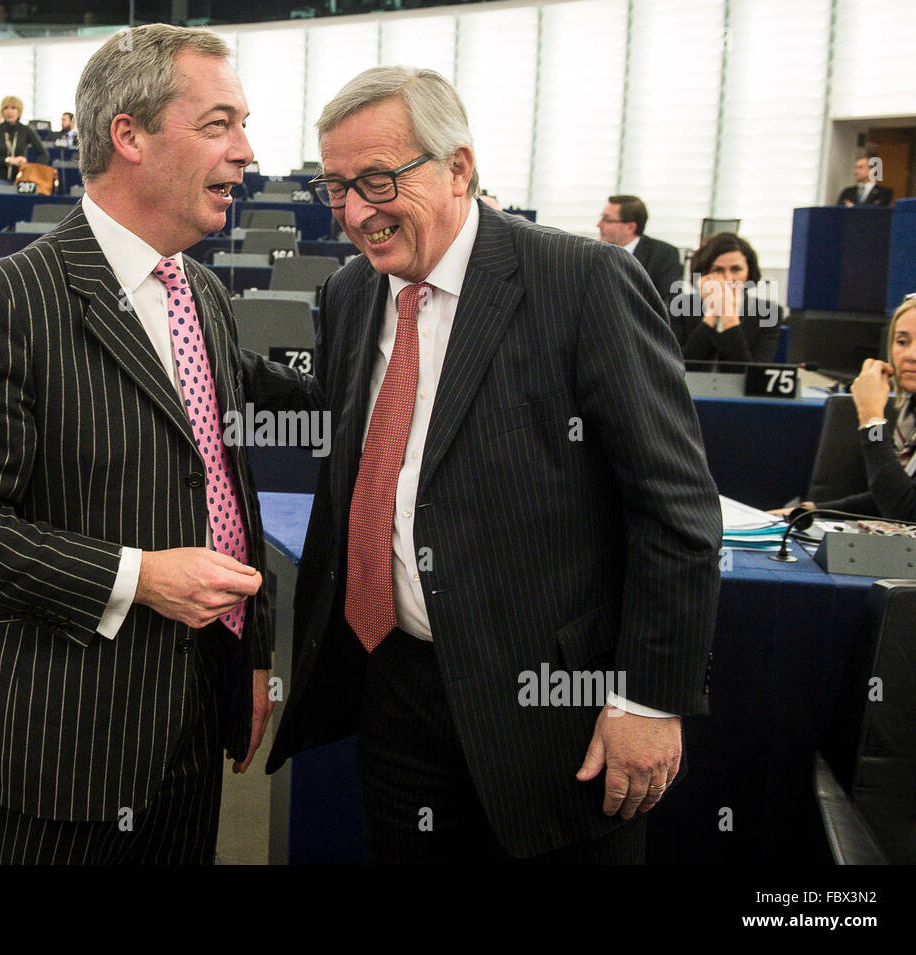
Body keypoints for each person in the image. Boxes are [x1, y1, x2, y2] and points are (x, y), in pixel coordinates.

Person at [266, 66, 722, 864]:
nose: (356, 213)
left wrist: (648, 698)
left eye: (377, 180)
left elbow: (676, 511)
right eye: (334, 187)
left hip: (554, 715)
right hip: (397, 695)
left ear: (460, 168)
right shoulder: (348, 295)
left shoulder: (582, 283)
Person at [0, 24, 317, 865]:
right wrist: (139, 577)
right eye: (219, 124)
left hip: (195, 716)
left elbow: (222, 483)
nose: (246, 152)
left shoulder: (202, 290)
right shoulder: (7, 299)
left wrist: (249, 655)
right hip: (67, 741)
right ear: (127, 134)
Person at [772, 295, 916, 523]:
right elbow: (890, 496)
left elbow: (906, 512)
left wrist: (872, 418)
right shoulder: (914, 414)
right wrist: (814, 511)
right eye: (902, 341)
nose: (912, 355)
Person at [669, 232, 780, 368]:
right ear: (703, 275)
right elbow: (679, 367)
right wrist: (712, 315)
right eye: (718, 270)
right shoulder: (680, 307)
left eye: (736, 269)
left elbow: (754, 376)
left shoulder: (768, 312)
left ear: (749, 273)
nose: (728, 279)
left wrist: (729, 319)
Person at [597, 194, 682, 309]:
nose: (599, 225)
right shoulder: (598, 253)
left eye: (607, 220)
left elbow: (667, 303)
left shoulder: (663, 254)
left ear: (630, 227)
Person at [0, 95, 48, 184]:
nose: (9, 112)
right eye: (6, 108)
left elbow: (43, 154)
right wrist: (9, 160)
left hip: (21, 180)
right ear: (2, 111)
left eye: (13, 108)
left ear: (19, 111)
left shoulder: (26, 130)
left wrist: (31, 170)